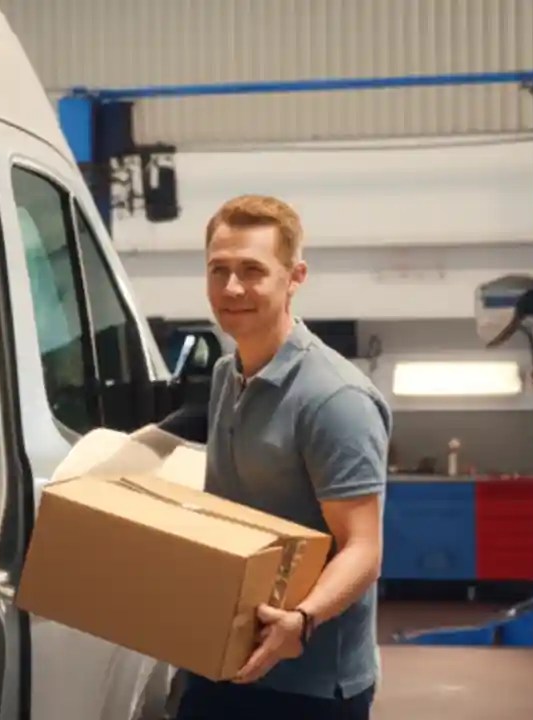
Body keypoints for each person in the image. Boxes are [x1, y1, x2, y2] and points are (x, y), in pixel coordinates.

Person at [174, 195, 390, 720]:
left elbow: (363, 547)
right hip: (221, 656)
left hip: (307, 682)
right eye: (218, 270)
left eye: (252, 271)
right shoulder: (229, 375)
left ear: (295, 277)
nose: (231, 289)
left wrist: (302, 620)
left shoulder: (334, 398)